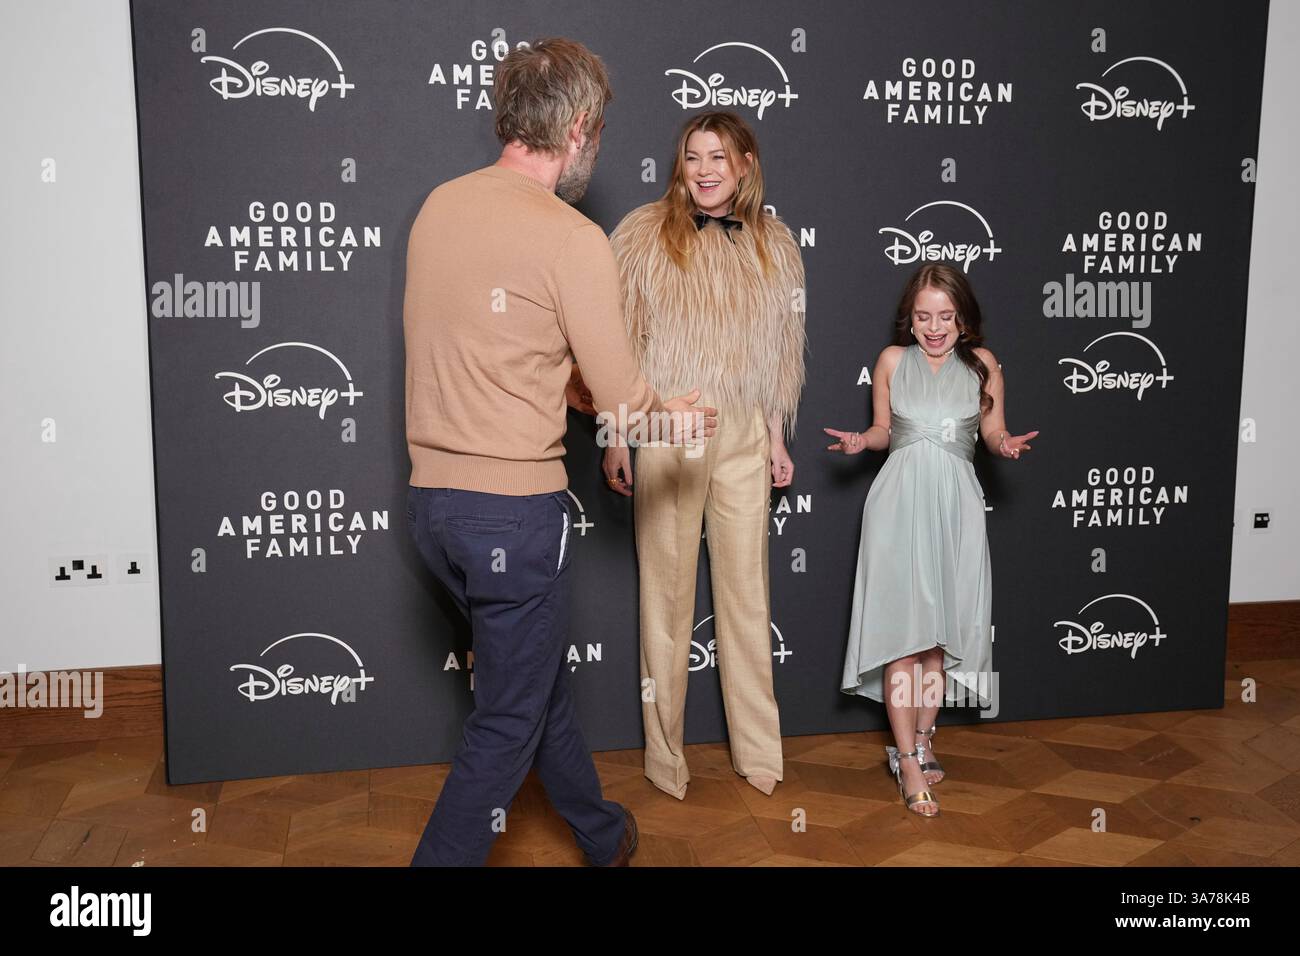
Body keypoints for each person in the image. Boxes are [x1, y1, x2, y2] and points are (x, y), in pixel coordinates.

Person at [402, 37, 716, 866]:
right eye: (601, 130)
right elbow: (623, 404)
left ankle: (602, 836)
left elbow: (502, 352)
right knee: (506, 722)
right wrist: (672, 414)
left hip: (434, 510)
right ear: (578, 127)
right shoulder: (570, 236)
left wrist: (578, 387)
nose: (598, 146)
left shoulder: (438, 207)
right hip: (511, 517)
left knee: (532, 688)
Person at [600, 110, 808, 799]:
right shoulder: (640, 234)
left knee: (748, 595)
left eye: (720, 156)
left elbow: (779, 354)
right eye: (693, 157)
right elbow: (618, 347)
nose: (706, 169)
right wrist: (622, 435)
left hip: (746, 430)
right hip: (667, 427)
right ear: (679, 165)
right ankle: (666, 759)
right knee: (664, 597)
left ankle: (759, 753)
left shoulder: (775, 244)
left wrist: (776, 436)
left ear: (745, 163)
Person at [824, 263, 1037, 816]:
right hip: (897, 506)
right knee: (902, 637)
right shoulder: (892, 361)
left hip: (957, 508)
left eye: (945, 316)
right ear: (910, 319)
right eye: (923, 316)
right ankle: (906, 757)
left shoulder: (984, 366)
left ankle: (920, 740)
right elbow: (880, 431)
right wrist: (858, 442)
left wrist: (1005, 444)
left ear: (963, 319)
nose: (934, 326)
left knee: (937, 645)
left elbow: (990, 433)